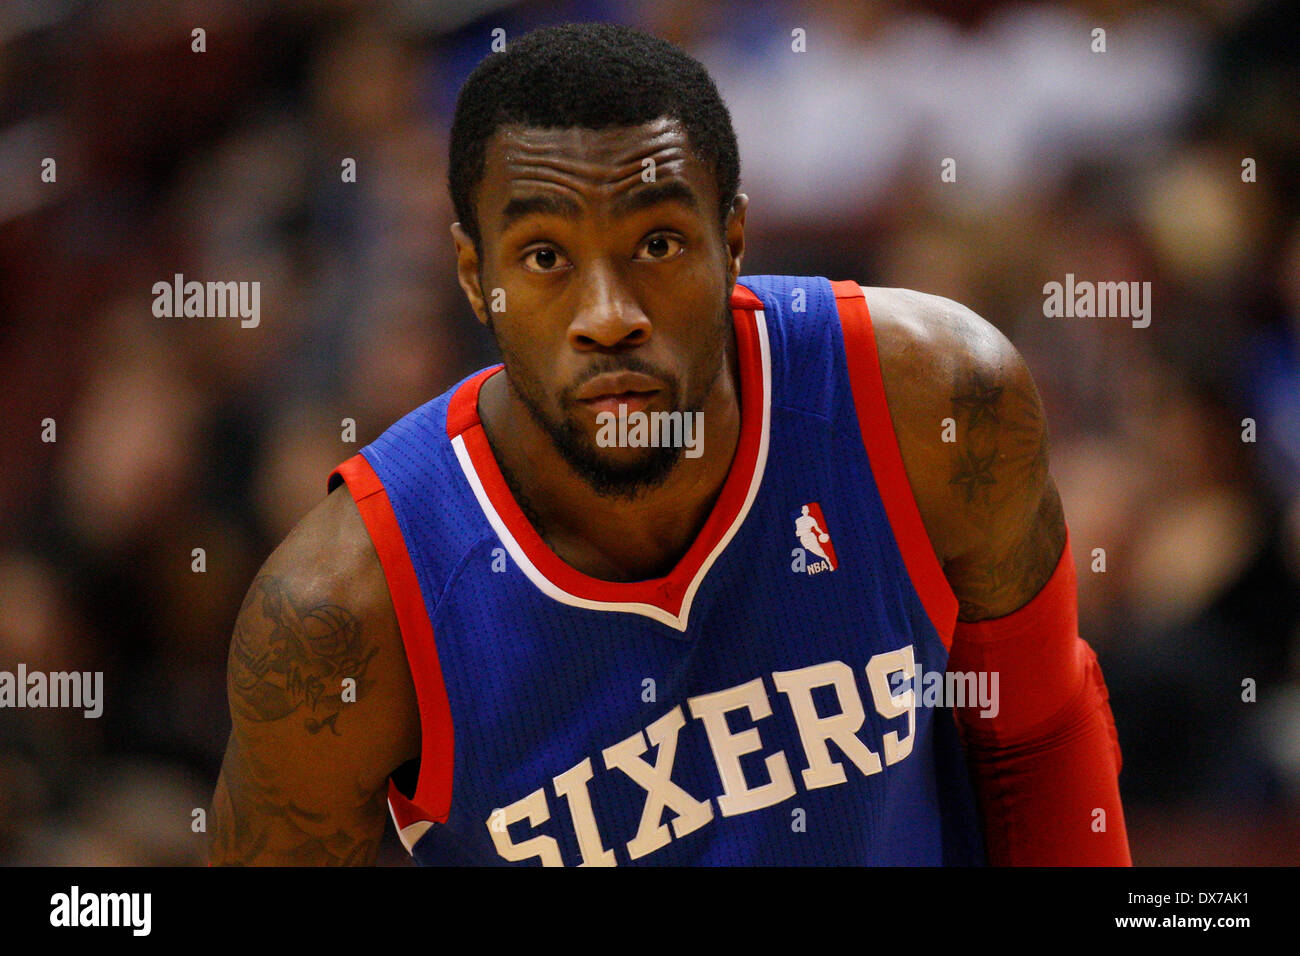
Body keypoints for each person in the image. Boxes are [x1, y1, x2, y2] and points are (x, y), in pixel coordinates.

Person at [208, 21, 1129, 866]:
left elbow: (1039, 737)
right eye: (543, 257)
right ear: (472, 275)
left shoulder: (934, 399)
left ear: (733, 239)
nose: (609, 316)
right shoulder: (342, 613)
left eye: (657, 243)